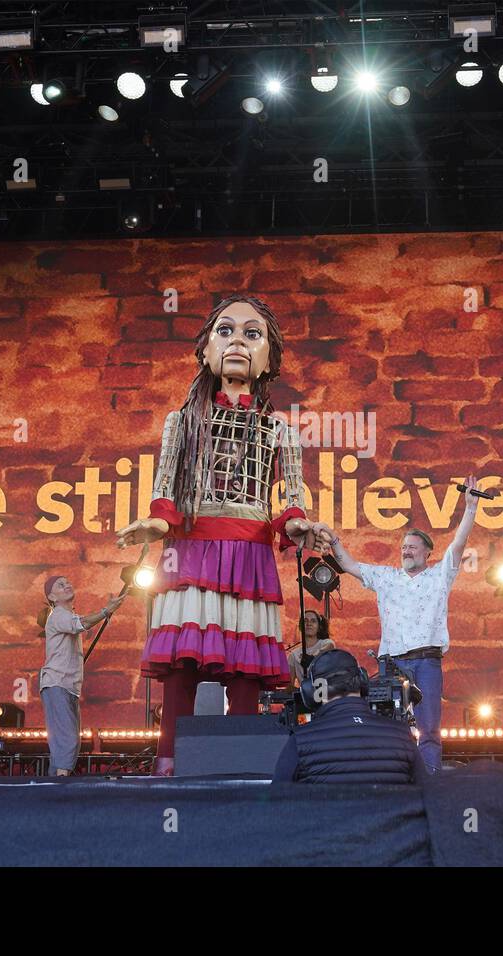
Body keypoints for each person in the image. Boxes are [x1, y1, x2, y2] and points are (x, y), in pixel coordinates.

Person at [116, 295, 330, 776]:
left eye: (252, 333)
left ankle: (242, 767)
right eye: (225, 331)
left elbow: (290, 501)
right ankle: (169, 761)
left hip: (249, 553)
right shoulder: (182, 421)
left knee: (245, 666)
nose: (237, 341)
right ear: (206, 351)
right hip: (191, 549)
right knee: (182, 665)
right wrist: (153, 524)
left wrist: (300, 525)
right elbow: (164, 491)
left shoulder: (280, 431)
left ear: (270, 357)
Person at [322, 476, 480, 772]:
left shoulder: (439, 576)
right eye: (404, 547)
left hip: (426, 662)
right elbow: (348, 565)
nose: (406, 551)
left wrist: (470, 508)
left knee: (429, 729)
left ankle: (429, 780)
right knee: (391, 730)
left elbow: (458, 544)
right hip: (391, 665)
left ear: (427, 553)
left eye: (412, 547)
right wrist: (333, 539)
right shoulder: (386, 578)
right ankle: (393, 778)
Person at [272, 650, 428, 784]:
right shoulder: (402, 735)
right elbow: (427, 797)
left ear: (311, 692)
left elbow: (275, 806)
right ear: (362, 681)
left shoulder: (300, 741)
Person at [40, 575, 126, 776]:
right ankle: (60, 787)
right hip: (57, 683)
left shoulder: (67, 615)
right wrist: (105, 611)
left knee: (68, 740)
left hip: (68, 686)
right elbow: (83, 623)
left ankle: (52, 787)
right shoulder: (58, 614)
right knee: (67, 739)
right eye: (60, 585)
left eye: (68, 581)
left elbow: (82, 623)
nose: (67, 584)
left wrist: (106, 614)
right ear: (52, 596)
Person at [288, 610, 336, 685]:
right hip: (305, 695)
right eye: (305, 621)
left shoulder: (327, 643)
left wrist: (313, 658)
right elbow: (289, 685)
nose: (309, 624)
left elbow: (327, 648)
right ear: (300, 627)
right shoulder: (293, 655)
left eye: (313, 621)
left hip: (326, 694)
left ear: (319, 627)